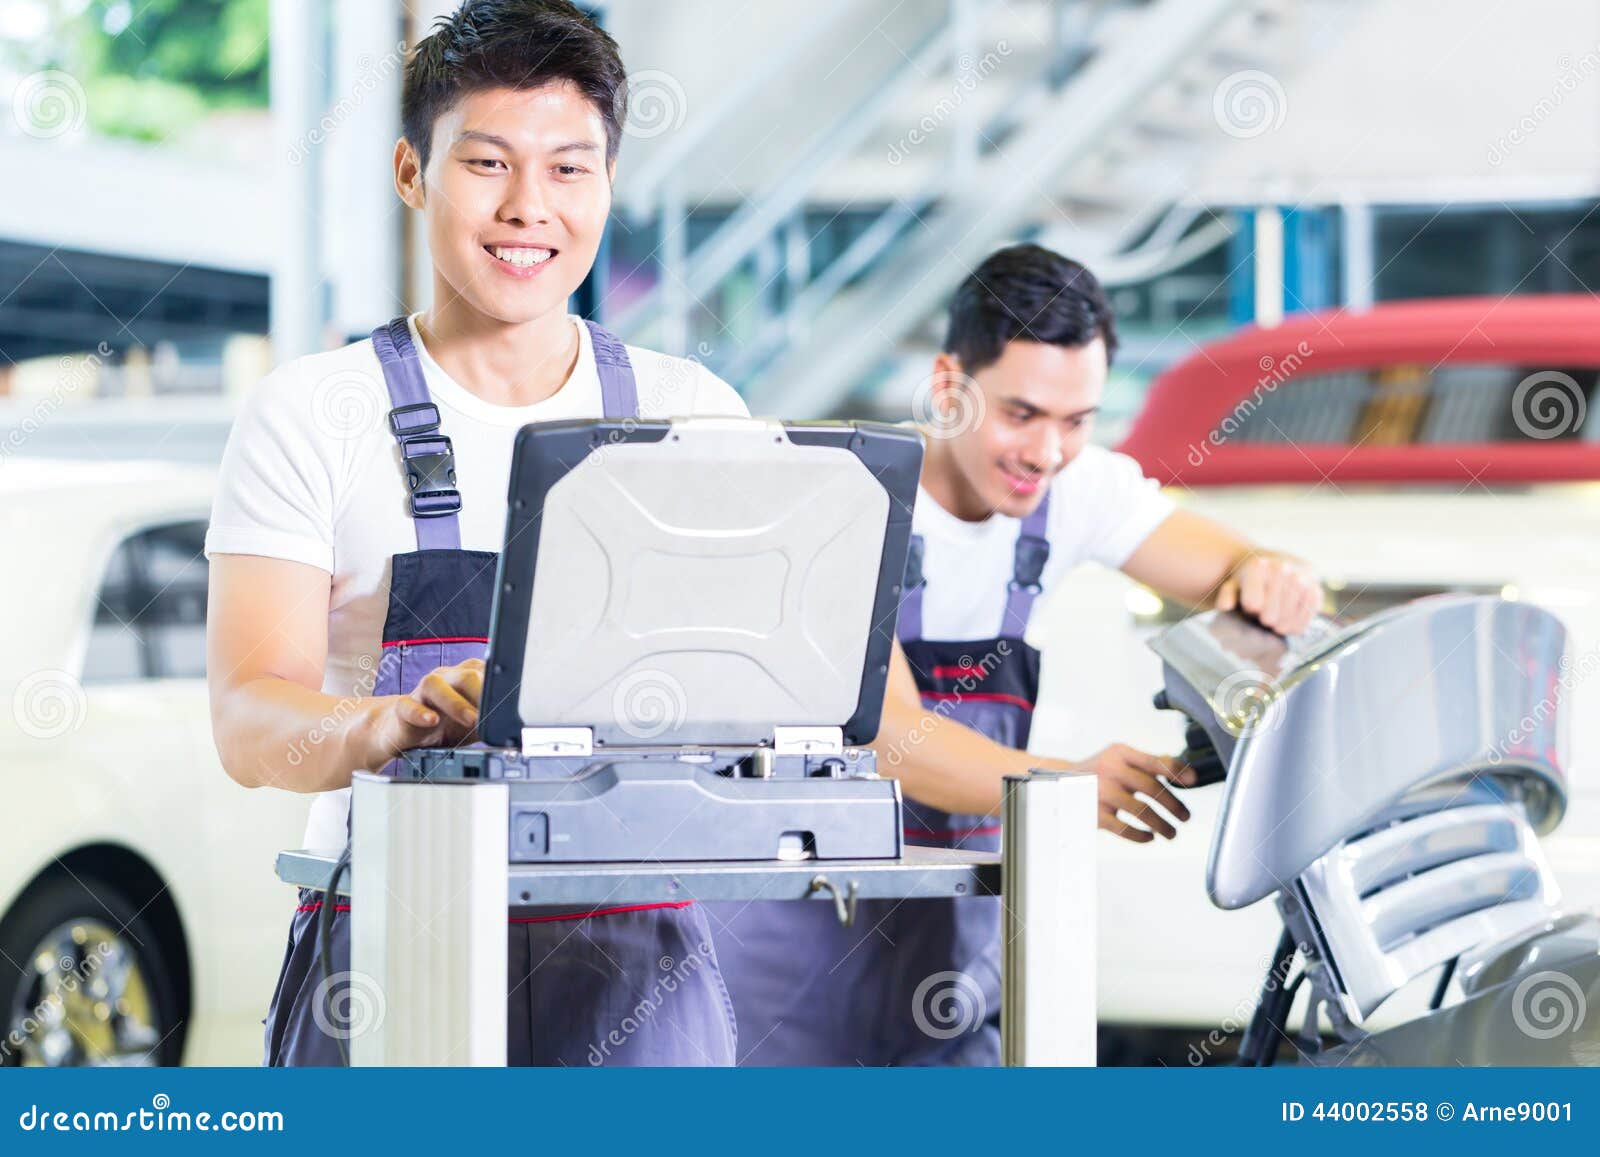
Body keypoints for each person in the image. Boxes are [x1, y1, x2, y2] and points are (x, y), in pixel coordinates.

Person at [205, 0, 746, 1066]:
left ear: (606, 181)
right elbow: (246, 716)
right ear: (412, 173)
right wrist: (388, 724)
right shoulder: (312, 411)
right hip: (393, 938)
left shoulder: (701, 417)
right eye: (487, 164)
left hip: (641, 959)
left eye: (568, 169)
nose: (528, 209)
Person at [715, 243, 1324, 1066]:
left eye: (1077, 422)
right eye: (1021, 414)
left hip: (946, 953)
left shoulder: (1073, 491)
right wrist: (1064, 789)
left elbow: (1231, 568)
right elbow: (892, 737)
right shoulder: (844, 497)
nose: (1045, 452)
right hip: (797, 954)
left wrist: (1272, 575)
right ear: (946, 388)